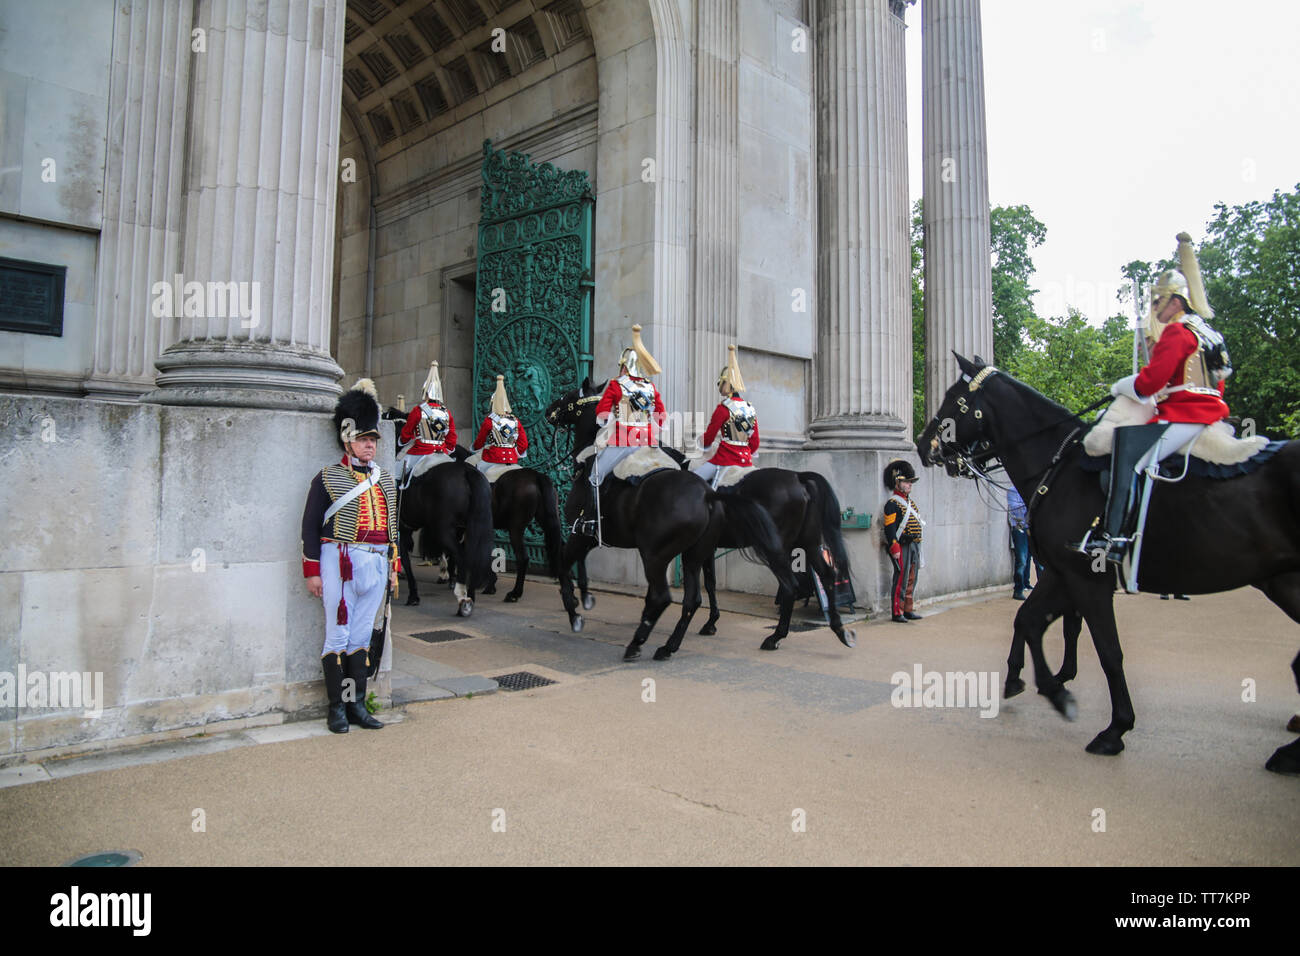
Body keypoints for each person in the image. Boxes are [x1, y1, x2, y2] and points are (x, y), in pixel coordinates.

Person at [1092, 232, 1231, 563]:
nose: (1155, 308)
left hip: (1184, 416)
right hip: (1208, 414)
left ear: (1176, 302)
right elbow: (1220, 381)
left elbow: (1149, 383)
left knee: (1127, 452)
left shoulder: (1177, 332)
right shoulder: (1207, 333)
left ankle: (1114, 538)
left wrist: (1122, 386)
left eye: (1158, 301)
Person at [301, 379, 398, 733]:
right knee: (338, 636)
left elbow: (392, 527)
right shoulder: (327, 478)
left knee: (361, 637)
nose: (369, 445)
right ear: (347, 439)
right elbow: (310, 526)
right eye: (363, 439)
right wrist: (312, 571)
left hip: (375, 561)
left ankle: (357, 705)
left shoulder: (385, 480)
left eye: (373, 440)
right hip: (339, 560)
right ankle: (336, 708)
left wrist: (393, 566)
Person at [573, 324, 665, 537]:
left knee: (594, 476)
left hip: (624, 442)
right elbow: (661, 415)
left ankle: (590, 521)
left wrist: (609, 423)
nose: (620, 370)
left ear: (625, 367)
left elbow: (602, 414)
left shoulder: (616, 385)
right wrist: (650, 429)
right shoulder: (650, 388)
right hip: (648, 444)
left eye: (621, 366)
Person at [692, 344, 759, 489]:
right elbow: (754, 443)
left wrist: (700, 442)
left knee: (693, 479)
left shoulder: (723, 408)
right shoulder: (749, 408)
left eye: (720, 383)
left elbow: (709, 437)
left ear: (725, 384)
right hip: (746, 462)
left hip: (725, 460)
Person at [397, 361, 457, 489]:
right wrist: (447, 449)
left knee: (397, 470)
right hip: (442, 452)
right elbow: (452, 440)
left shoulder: (418, 410)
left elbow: (406, 434)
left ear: (426, 393)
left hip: (421, 451)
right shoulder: (447, 412)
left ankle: (398, 500)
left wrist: (403, 440)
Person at [882, 460, 924, 623]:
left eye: (910, 482)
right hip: (902, 545)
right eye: (906, 482)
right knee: (901, 579)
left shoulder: (909, 503)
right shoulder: (893, 504)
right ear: (897, 483)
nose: (909, 485)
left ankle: (908, 609)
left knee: (912, 578)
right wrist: (894, 546)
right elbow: (890, 528)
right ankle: (897, 612)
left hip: (914, 544)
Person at [470, 375, 527, 476]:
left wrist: (476, 447)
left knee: (476, 473)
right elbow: (523, 444)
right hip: (511, 459)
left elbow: (480, 441)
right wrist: (513, 452)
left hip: (493, 458)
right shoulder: (515, 420)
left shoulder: (489, 420)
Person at [1007, 485, 1031, 600]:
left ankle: (1038, 588)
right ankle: (1018, 589)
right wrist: (1029, 503)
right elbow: (1016, 510)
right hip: (1019, 527)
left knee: (1039, 562)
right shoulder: (1012, 490)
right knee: (1021, 559)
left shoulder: (1033, 487)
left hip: (1033, 527)